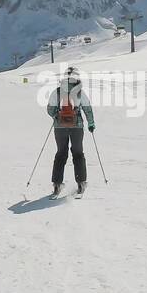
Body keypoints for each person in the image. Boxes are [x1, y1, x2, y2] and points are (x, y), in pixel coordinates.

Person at [46, 66, 95, 197]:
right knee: (78, 153)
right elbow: (87, 108)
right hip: (77, 127)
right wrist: (91, 123)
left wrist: (57, 116)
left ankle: (57, 185)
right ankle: (81, 183)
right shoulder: (80, 92)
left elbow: (50, 109)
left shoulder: (57, 91)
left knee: (61, 154)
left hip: (59, 127)